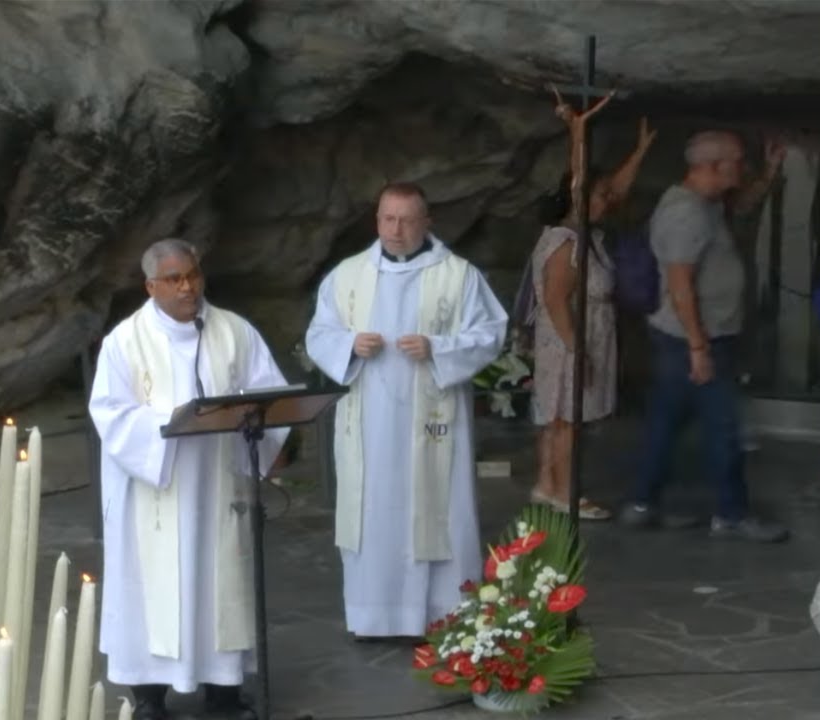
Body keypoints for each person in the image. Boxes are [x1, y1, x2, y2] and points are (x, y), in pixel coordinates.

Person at [89, 238, 289, 720]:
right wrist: (171, 424)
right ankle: (150, 696)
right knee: (150, 589)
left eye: (193, 275)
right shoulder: (125, 341)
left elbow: (271, 394)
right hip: (156, 491)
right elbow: (111, 413)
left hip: (219, 483)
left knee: (220, 580)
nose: (188, 287)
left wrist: (260, 424)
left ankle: (223, 690)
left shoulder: (234, 331)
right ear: (151, 286)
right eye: (175, 279)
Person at [304, 182, 508, 640]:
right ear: (376, 220)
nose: (395, 230)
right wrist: (348, 344)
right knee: (374, 511)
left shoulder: (458, 275)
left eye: (406, 219)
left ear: (426, 221)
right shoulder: (348, 275)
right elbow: (320, 333)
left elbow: (490, 333)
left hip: (433, 424)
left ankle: (445, 613)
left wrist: (439, 347)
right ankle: (375, 615)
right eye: (387, 218)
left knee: (438, 509)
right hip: (369, 424)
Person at [623, 130, 789, 542]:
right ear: (712, 166)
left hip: (686, 340)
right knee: (724, 427)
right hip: (694, 342)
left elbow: (744, 205)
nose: (742, 167)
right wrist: (699, 347)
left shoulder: (706, 204)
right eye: (737, 161)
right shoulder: (687, 213)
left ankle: (642, 503)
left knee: (665, 423)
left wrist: (770, 172)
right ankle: (732, 513)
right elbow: (680, 285)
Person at [529, 117, 658, 520]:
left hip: (573, 337)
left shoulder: (583, 236)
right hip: (571, 338)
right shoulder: (566, 244)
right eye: (598, 196)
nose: (608, 201)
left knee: (558, 418)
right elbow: (555, 299)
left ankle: (547, 485)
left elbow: (613, 190)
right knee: (568, 420)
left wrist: (639, 153)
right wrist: (578, 350)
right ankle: (564, 492)